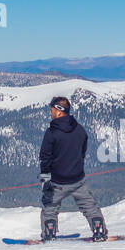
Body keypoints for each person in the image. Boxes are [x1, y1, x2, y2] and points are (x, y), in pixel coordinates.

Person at [39, 95, 107, 241]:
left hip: (57, 181)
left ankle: (49, 233)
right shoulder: (80, 130)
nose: (50, 113)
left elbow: (45, 157)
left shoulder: (51, 133)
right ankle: (98, 229)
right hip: (77, 179)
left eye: (51, 109)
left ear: (58, 111)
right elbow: (83, 150)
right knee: (89, 207)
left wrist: (45, 179)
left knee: (50, 209)